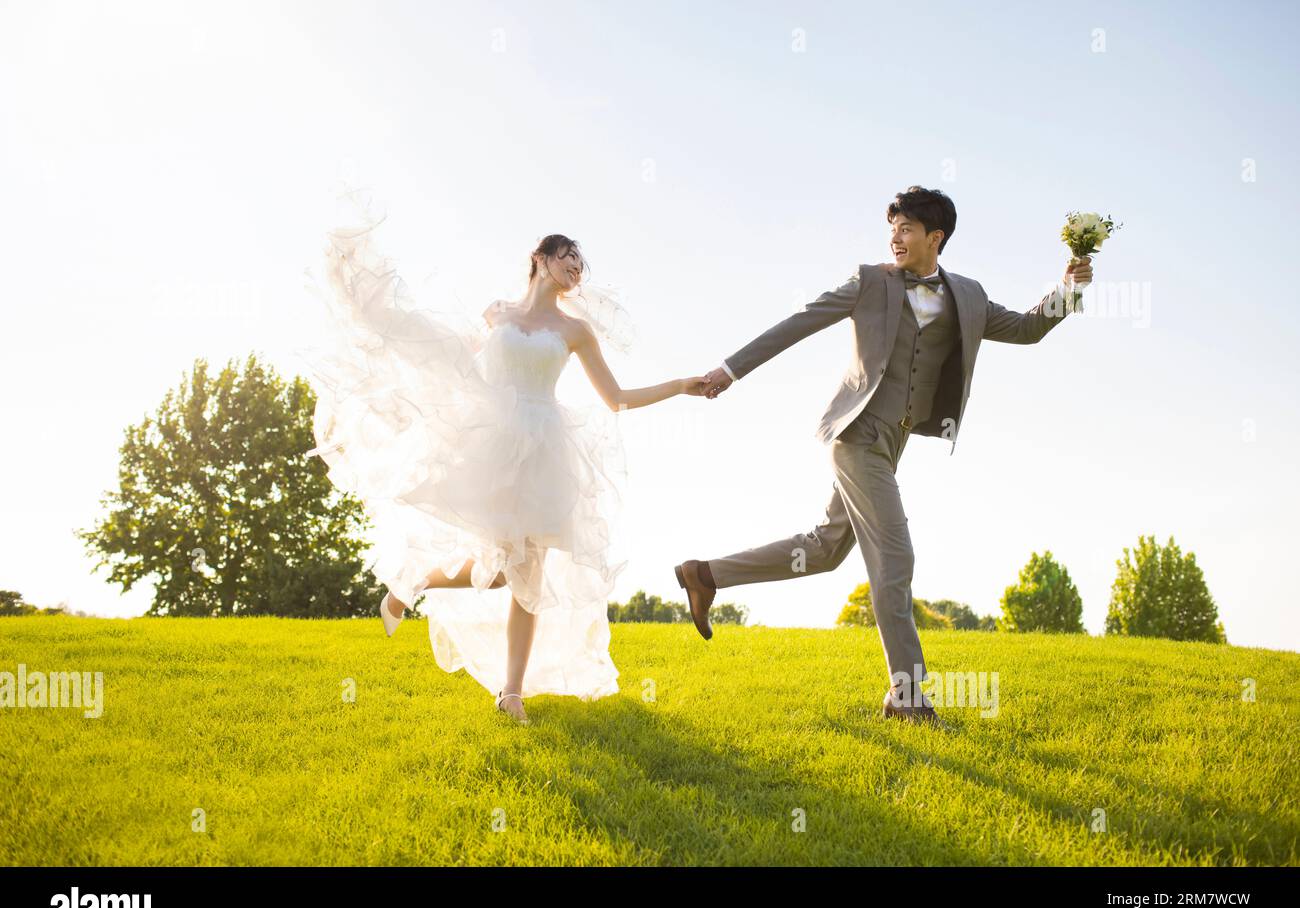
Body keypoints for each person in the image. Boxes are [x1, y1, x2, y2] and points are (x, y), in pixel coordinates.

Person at [673, 185, 1094, 728]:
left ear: (934, 238)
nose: (895, 237)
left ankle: (705, 575)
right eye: (891, 227)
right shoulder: (870, 282)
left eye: (906, 229)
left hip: (891, 445)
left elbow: (1027, 329)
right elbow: (799, 322)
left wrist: (1068, 288)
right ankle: (909, 698)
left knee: (823, 550)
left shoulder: (967, 296)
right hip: (854, 436)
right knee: (896, 561)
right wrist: (728, 372)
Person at [301, 188, 707, 724]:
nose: (575, 272)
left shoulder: (575, 331)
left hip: (546, 449)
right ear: (540, 257)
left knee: (527, 574)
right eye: (568, 259)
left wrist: (683, 385)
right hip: (493, 440)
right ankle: (416, 580)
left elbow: (617, 399)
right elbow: (456, 363)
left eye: (581, 268)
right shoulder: (496, 313)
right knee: (499, 571)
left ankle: (510, 692)